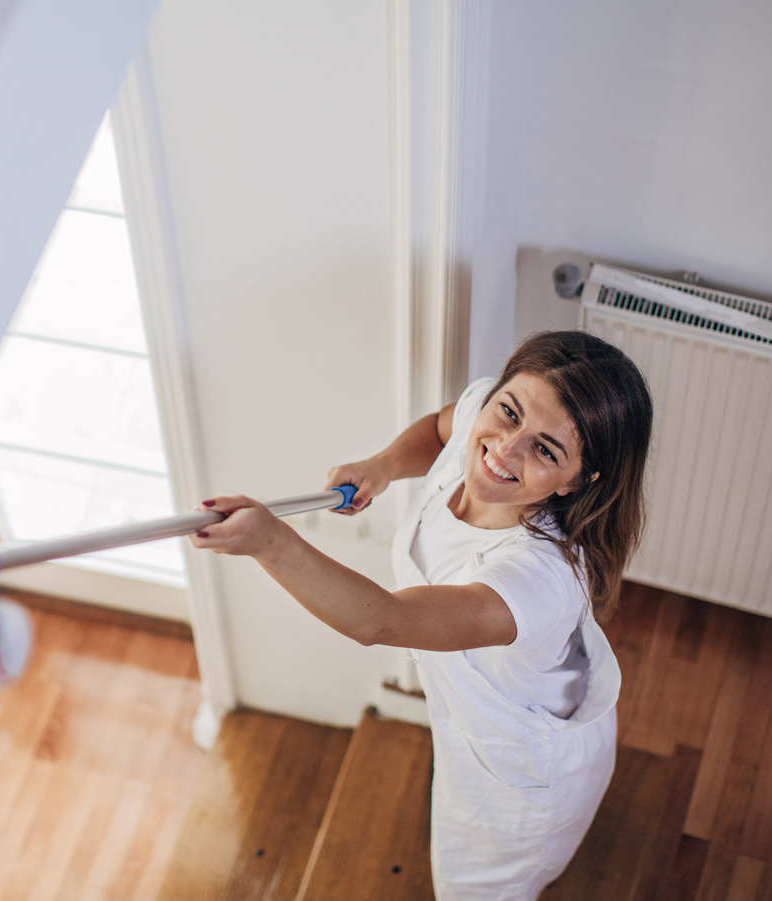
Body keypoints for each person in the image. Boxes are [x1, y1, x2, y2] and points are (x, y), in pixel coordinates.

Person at [189, 330, 653, 900]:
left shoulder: (538, 580)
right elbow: (441, 428)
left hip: (521, 771)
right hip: (470, 717)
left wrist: (270, 543)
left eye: (546, 450)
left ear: (581, 480)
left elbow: (380, 620)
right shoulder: (489, 413)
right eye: (507, 413)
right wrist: (382, 465)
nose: (505, 448)